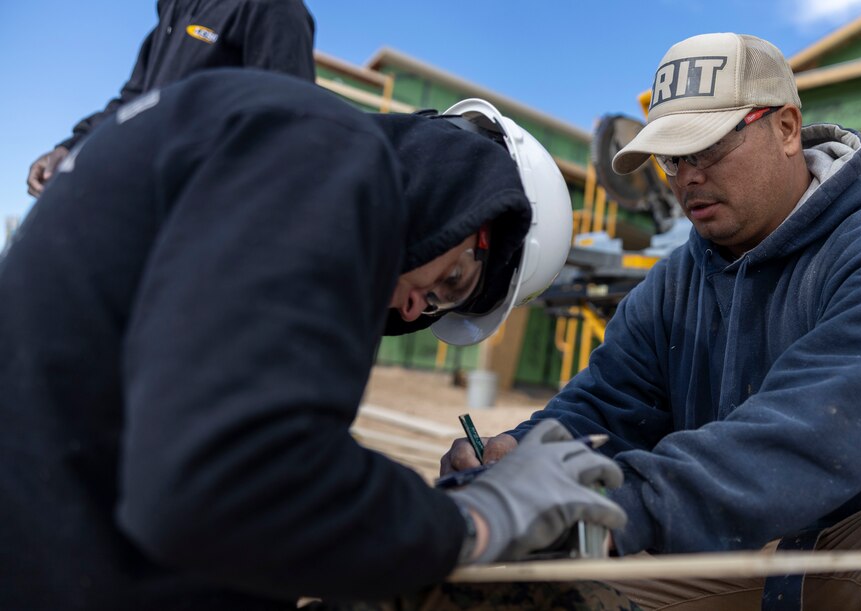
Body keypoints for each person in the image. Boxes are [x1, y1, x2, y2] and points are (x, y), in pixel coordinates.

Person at [443, 33, 861, 610]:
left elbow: (804, 437)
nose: (687, 177)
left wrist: (606, 502)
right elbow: (603, 408)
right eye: (671, 159)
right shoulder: (673, 285)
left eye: (706, 147)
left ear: (786, 128)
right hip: (746, 558)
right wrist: (518, 460)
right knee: (513, 568)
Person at [0, 69, 632, 610]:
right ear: (470, 192)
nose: (414, 307)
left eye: (438, 306)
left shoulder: (260, 137)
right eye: (452, 281)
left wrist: (369, 497)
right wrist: (478, 520)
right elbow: (216, 483)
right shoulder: (335, 158)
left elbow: (216, 437)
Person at [26, 0, 316, 197]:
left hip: (208, 214)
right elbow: (133, 101)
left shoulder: (271, 7)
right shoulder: (172, 14)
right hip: (148, 206)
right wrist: (72, 147)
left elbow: (286, 125)